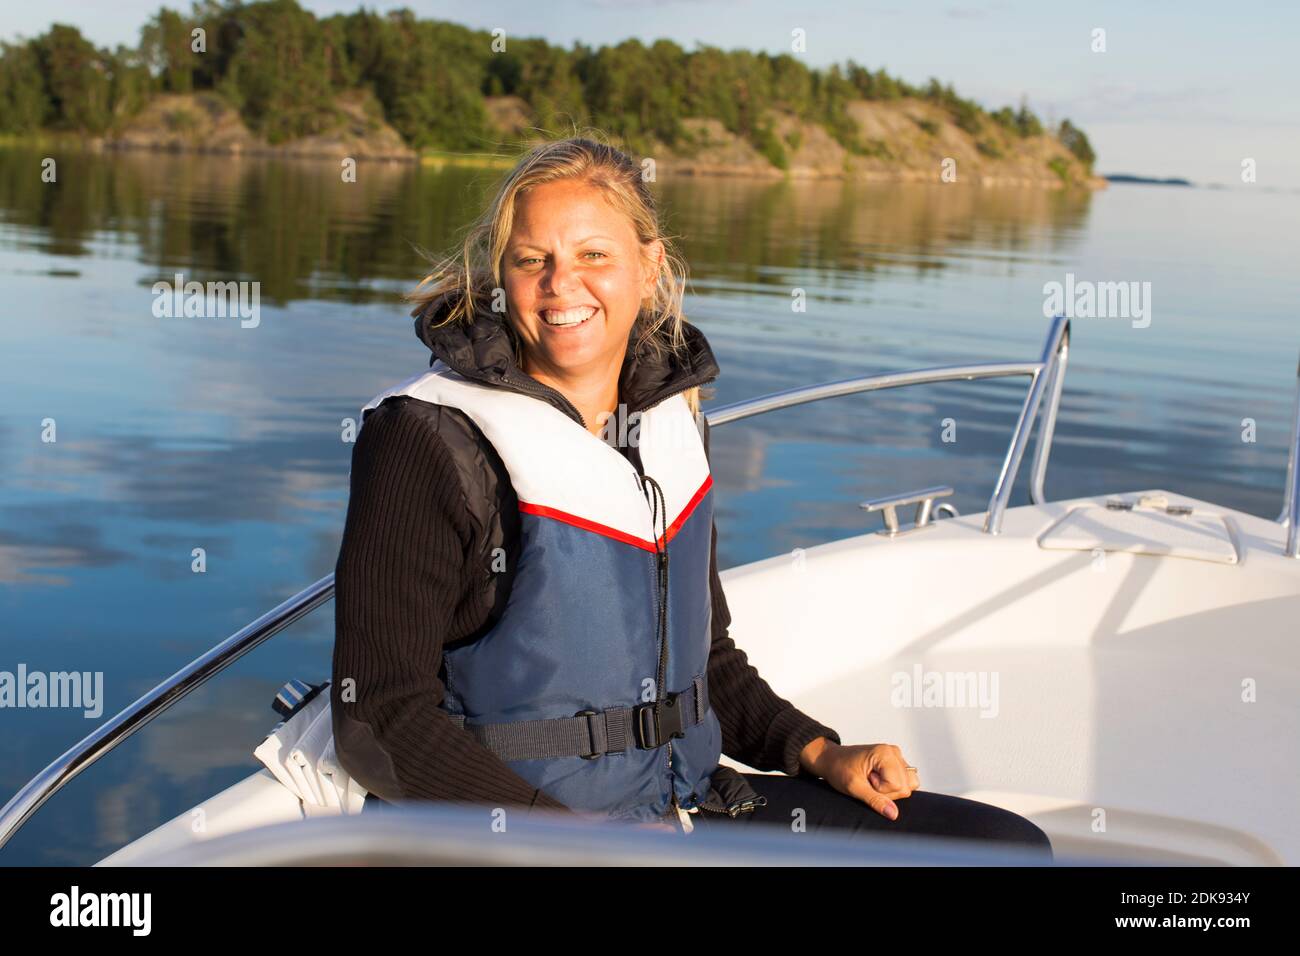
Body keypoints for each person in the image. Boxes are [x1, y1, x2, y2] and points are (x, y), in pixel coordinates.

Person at [331, 134, 1051, 859]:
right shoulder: (423, 438)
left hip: (692, 807)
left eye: (593, 256)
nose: (560, 285)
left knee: (1006, 848)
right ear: (500, 276)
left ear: (649, 268)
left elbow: (706, 661)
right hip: (521, 840)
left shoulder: (672, 422)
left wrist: (816, 751)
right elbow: (381, 718)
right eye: (531, 261)